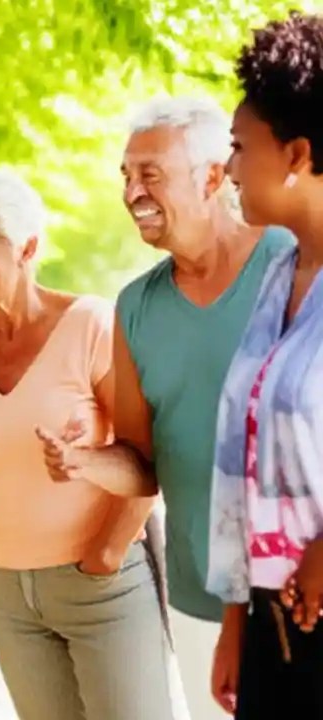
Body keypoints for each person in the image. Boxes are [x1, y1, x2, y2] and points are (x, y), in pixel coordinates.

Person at [38, 96, 295, 720]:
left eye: (150, 173)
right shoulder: (136, 308)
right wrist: (85, 461)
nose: (132, 191)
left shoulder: (293, 261)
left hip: (299, 593)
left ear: (213, 176)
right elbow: (142, 463)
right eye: (126, 176)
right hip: (201, 600)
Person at [0, 168, 177, 719]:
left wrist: (106, 553)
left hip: (102, 589)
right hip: (8, 598)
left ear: (26, 247)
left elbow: (149, 455)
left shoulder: (90, 325)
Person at [208, 12, 323, 717]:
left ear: (299, 154)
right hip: (269, 617)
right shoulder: (277, 273)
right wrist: (234, 624)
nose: (226, 170)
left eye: (239, 147)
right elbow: (240, 460)